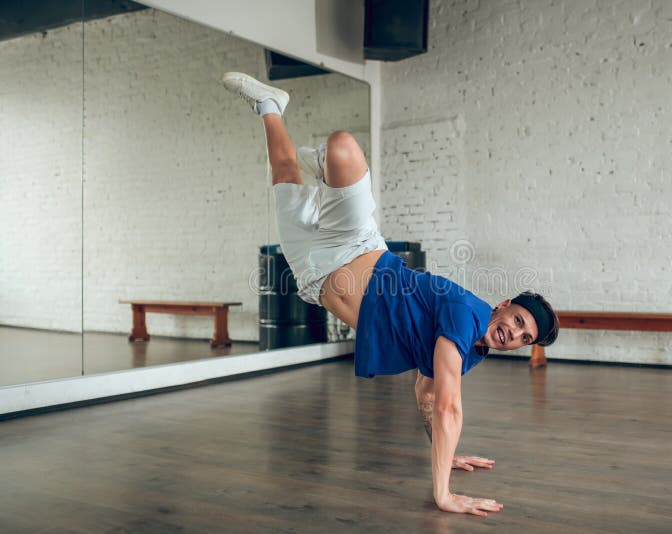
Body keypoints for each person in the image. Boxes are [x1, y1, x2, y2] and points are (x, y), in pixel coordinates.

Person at [222, 72, 559, 517]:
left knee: (284, 176)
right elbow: (447, 406)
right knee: (343, 145)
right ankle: (326, 165)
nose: (513, 334)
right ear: (503, 305)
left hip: (311, 273)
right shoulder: (466, 318)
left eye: (523, 337)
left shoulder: (475, 349)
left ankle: (269, 105)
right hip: (358, 247)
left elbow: (425, 393)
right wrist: (443, 492)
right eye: (517, 320)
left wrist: (446, 450)